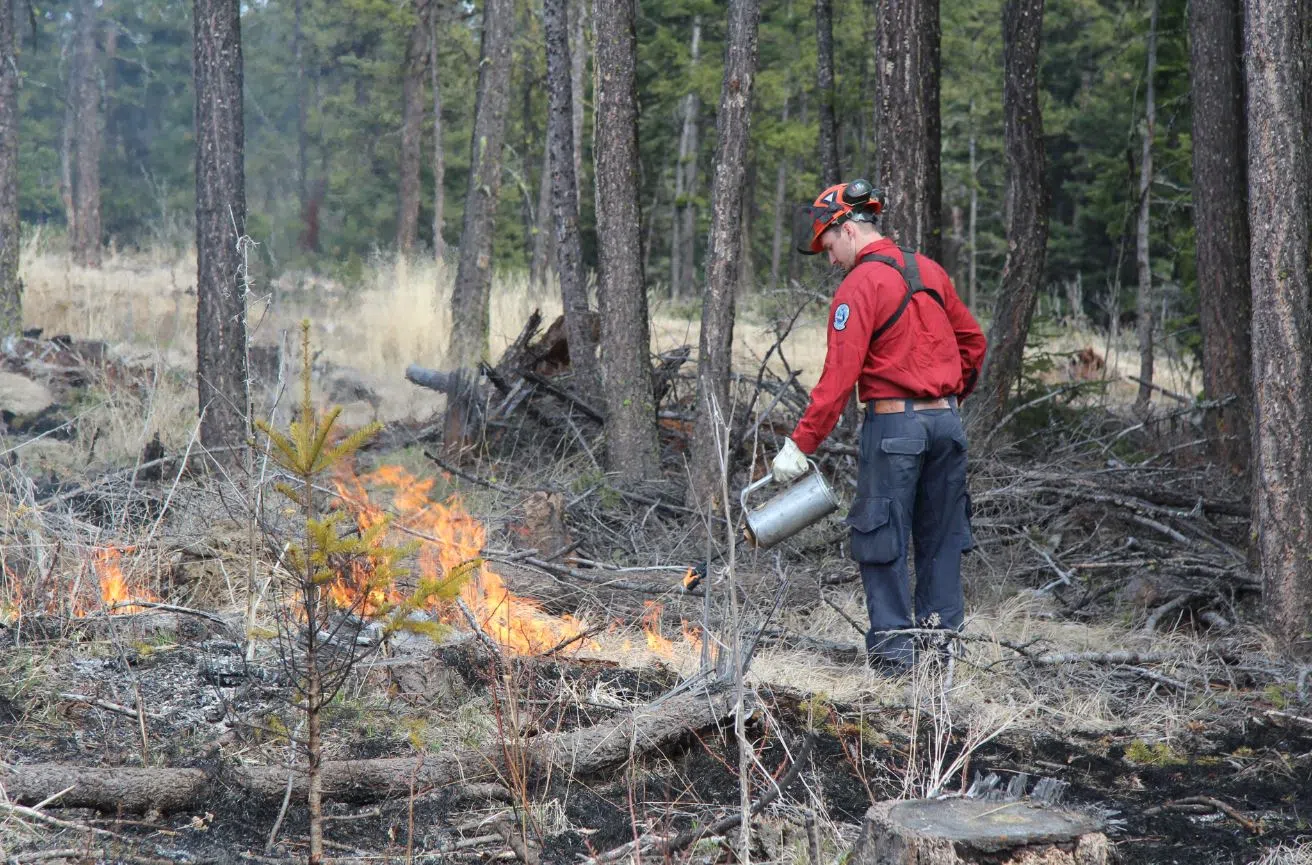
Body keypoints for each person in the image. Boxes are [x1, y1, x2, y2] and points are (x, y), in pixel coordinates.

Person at [773, 179, 987, 671]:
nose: (830, 259)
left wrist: (801, 445)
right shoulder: (929, 271)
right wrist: (945, 397)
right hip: (947, 426)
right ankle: (939, 660)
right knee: (941, 542)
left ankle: (895, 663)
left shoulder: (860, 285)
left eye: (828, 245)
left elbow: (838, 376)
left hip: (895, 432)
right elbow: (973, 343)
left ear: (847, 229)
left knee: (881, 539)